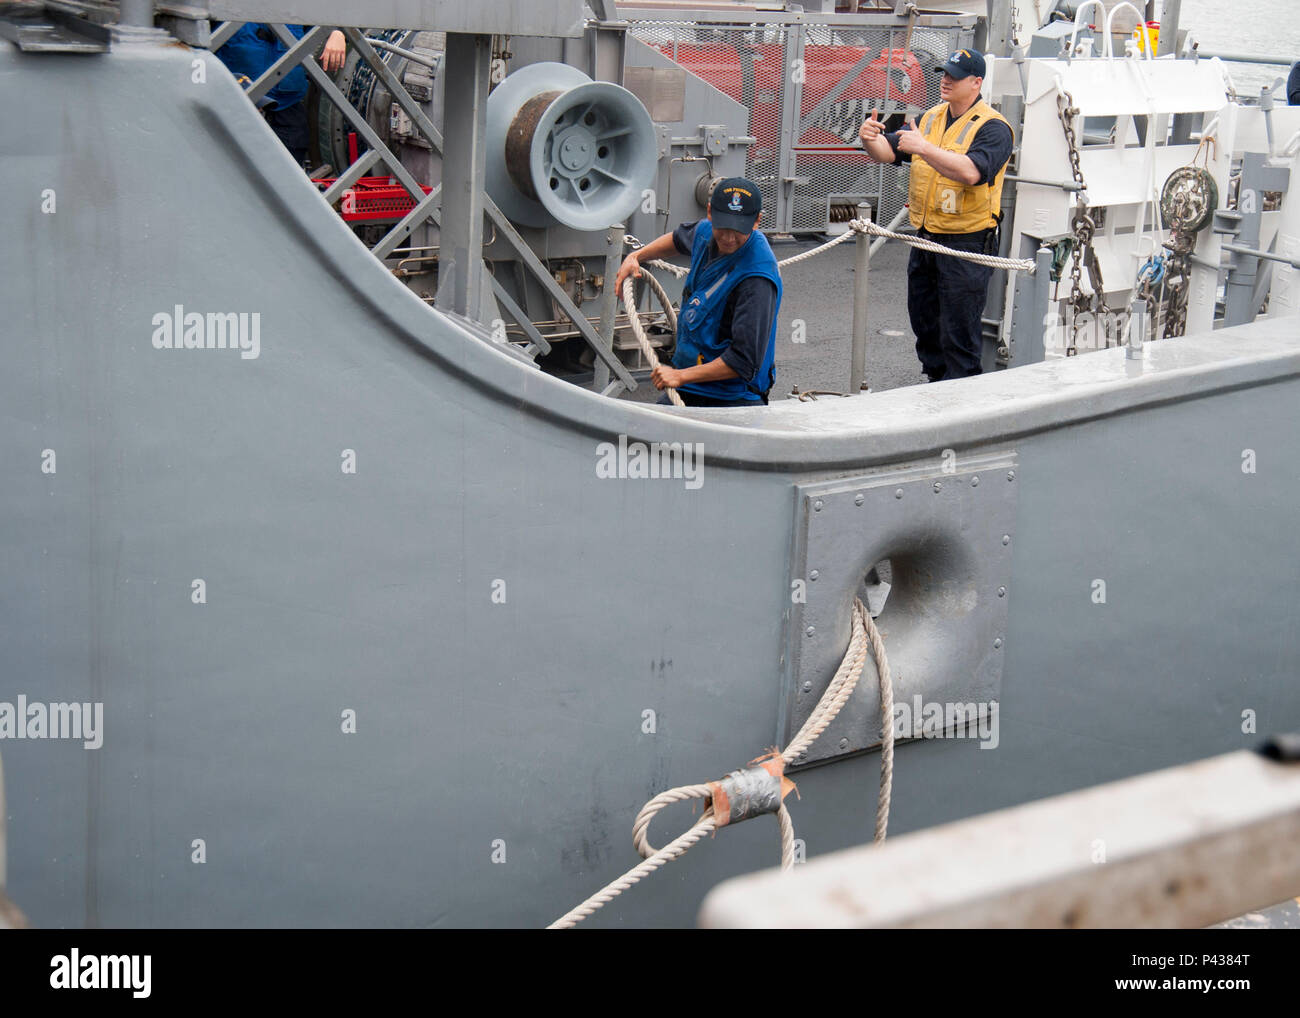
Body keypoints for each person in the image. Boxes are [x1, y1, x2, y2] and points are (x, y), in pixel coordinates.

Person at [858, 49, 1013, 382]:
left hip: (966, 245)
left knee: (959, 336)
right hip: (926, 238)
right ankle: (934, 387)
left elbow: (973, 172)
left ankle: (960, 406)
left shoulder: (994, 128)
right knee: (926, 327)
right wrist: (869, 139)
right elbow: (889, 151)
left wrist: (924, 148)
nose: (946, 80)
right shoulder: (930, 118)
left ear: (976, 83)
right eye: (944, 73)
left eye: (954, 76)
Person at [613, 178, 782, 407]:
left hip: (732, 397)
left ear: (757, 221)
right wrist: (636, 257)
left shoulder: (757, 280)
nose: (729, 238)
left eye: (738, 230)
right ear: (710, 212)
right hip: (691, 383)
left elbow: (744, 361)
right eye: (723, 227)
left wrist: (680, 376)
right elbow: (678, 239)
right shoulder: (706, 232)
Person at [215, 24, 347, 168]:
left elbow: (325, 14)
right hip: (237, 108)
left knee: (289, 176)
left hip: (287, 109)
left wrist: (337, 33)